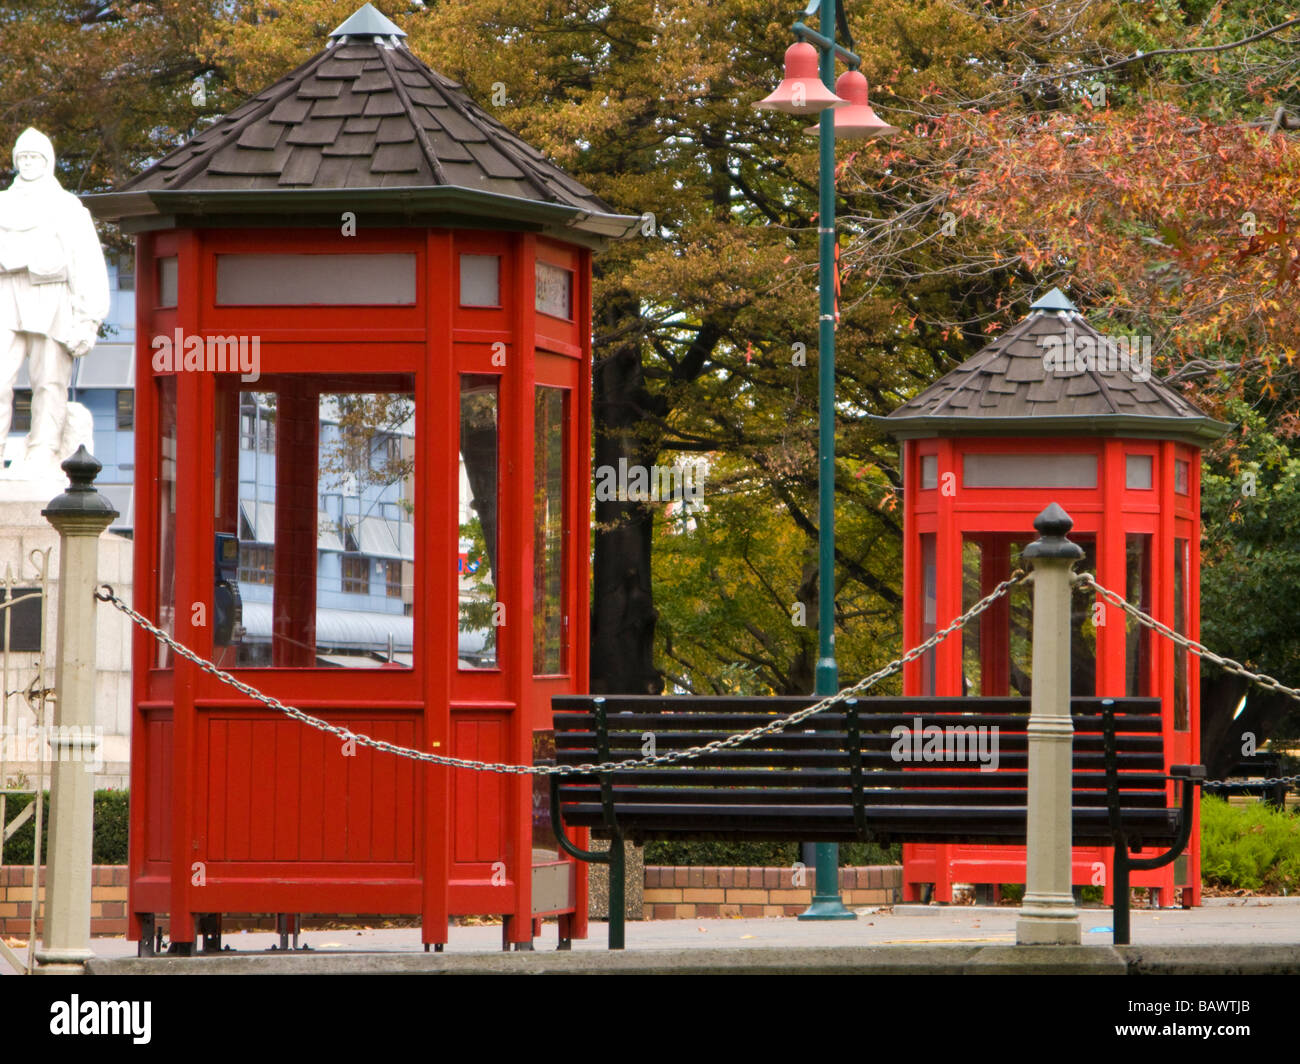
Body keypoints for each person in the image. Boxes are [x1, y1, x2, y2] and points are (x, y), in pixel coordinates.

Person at [0, 127, 108, 478]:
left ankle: (44, 449)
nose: (28, 163)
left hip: (51, 299)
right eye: (23, 157)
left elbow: (85, 263)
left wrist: (88, 321)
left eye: (35, 157)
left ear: (48, 162)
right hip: (6, 296)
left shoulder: (66, 207)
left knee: (48, 380)